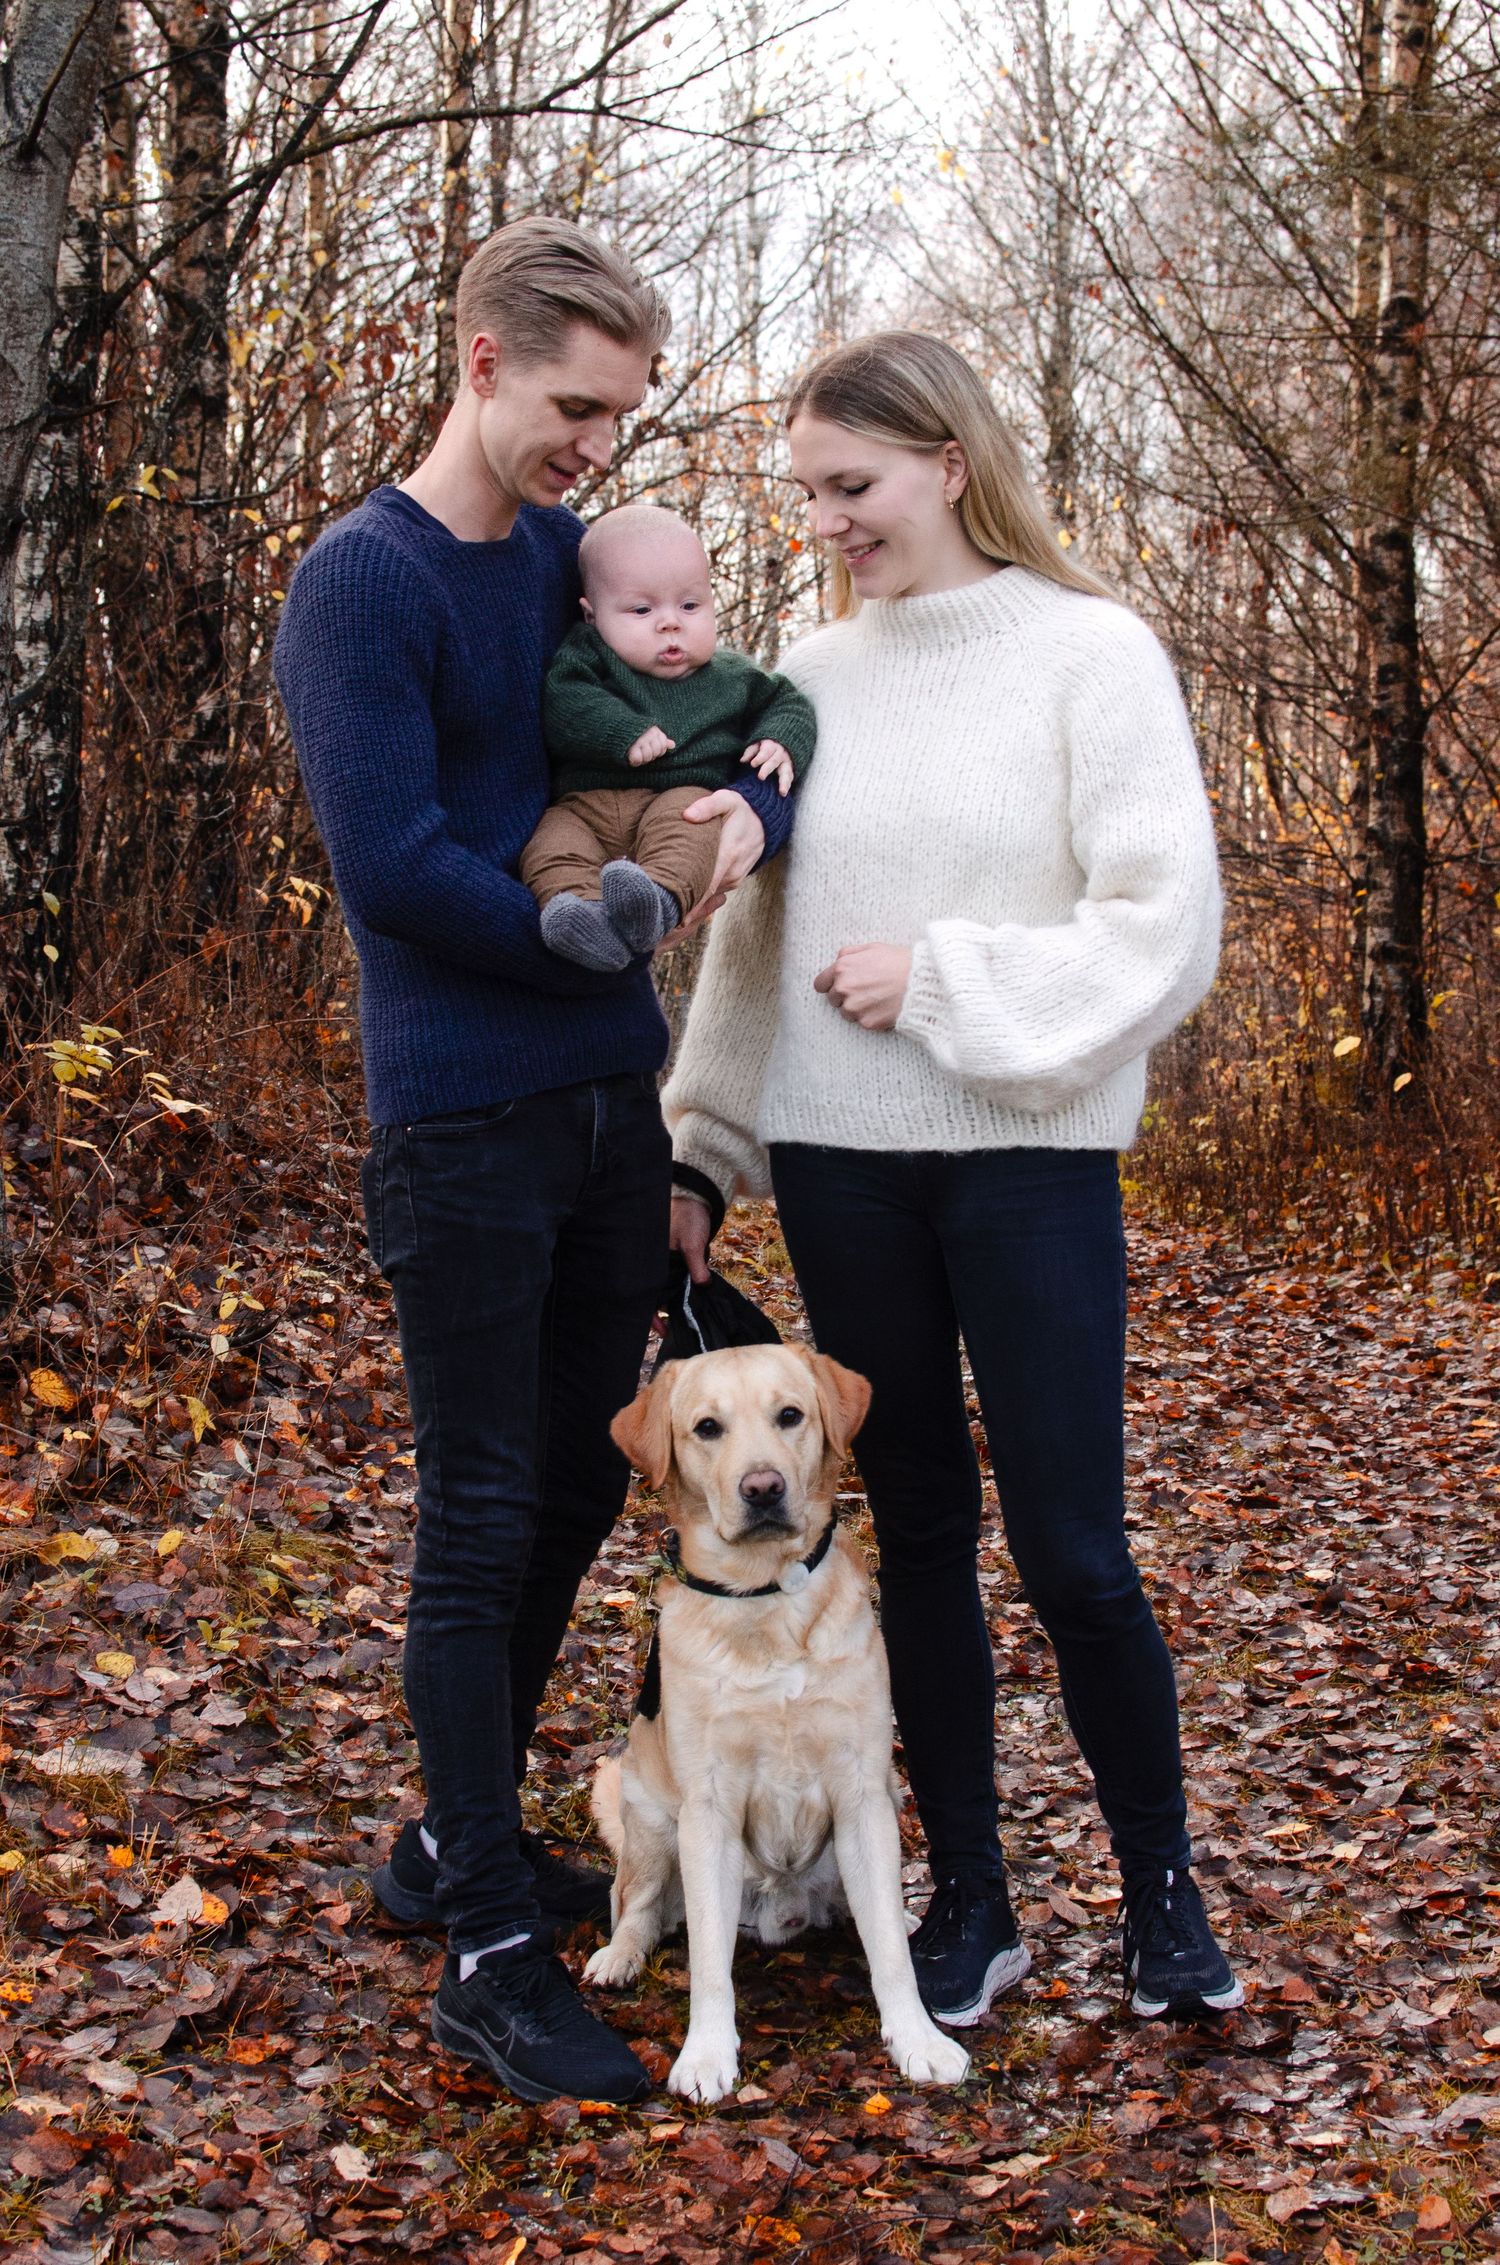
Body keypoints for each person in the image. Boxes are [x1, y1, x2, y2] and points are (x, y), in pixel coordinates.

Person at [272, 216, 792, 2106]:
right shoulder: (361, 585)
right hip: (464, 1115)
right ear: (478, 360)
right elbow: (395, 865)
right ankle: (491, 1943)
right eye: (575, 403)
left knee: (589, 1480)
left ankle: (445, 1843)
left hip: (607, 1119)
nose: (596, 443)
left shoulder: (584, 569)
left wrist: (741, 804)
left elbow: (702, 716)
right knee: (480, 1511)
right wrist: (596, 929)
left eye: (623, 411)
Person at [665, 331, 1244, 2028]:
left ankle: (1162, 1896)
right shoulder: (809, 683)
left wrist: (946, 982)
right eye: (809, 499)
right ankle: (970, 1901)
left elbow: (1163, 925)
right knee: (913, 1530)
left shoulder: (1094, 655)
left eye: (852, 489)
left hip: (1029, 1162)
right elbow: (758, 943)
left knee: (1075, 1550)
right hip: (845, 1168)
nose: (828, 526)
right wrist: (704, 1142)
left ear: (951, 466)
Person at [523, 503, 816, 969]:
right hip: (585, 804)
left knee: (693, 832)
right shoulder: (587, 660)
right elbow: (565, 704)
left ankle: (654, 904)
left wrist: (779, 739)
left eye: (690, 605)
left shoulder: (732, 675)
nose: (670, 622)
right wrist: (623, 731)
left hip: (679, 798)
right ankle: (579, 916)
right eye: (642, 609)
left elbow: (787, 702)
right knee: (550, 843)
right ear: (592, 615)